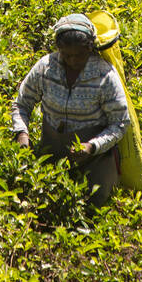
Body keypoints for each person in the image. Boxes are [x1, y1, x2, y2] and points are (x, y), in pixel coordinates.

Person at [11, 13, 130, 207]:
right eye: (67, 55)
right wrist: (22, 133)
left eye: (79, 55)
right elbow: (22, 104)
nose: (73, 61)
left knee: (91, 206)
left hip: (94, 161)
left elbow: (120, 123)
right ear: (59, 49)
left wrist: (92, 146)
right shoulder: (45, 68)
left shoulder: (105, 75)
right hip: (52, 153)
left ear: (90, 48)